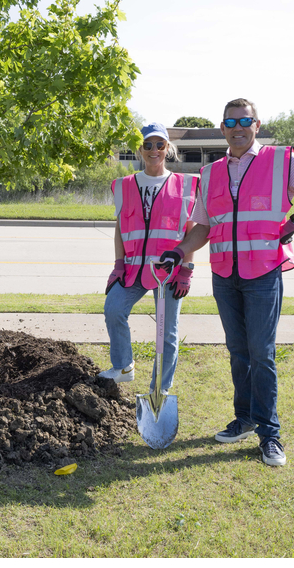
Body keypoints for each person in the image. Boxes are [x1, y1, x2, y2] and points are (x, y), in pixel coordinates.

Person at [163, 98, 294, 466]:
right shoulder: (211, 172)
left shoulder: (281, 161)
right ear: (223, 128)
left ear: (256, 125)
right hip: (225, 275)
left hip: (263, 273)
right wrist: (180, 252)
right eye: (231, 122)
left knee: (261, 353)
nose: (238, 127)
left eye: (245, 121)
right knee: (238, 351)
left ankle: (269, 434)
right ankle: (244, 419)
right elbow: (204, 226)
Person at [100, 123, 197, 399]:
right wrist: (118, 264)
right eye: (148, 145)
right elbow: (120, 228)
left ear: (168, 149)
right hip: (132, 269)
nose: (154, 150)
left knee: (167, 334)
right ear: (140, 149)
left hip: (168, 272)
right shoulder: (125, 185)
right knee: (113, 309)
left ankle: (160, 390)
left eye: (160, 145)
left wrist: (186, 270)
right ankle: (123, 366)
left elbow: (191, 230)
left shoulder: (185, 185)